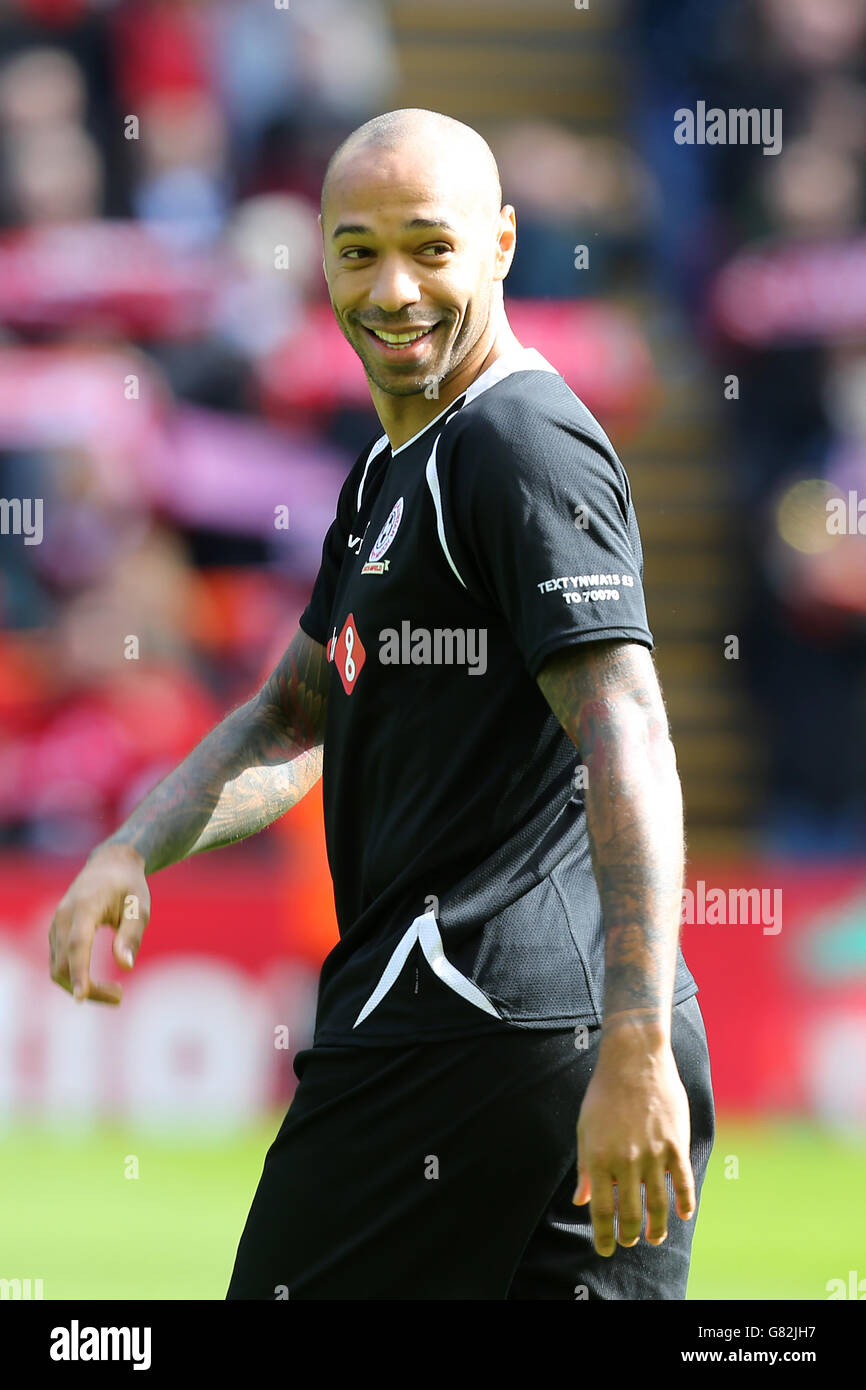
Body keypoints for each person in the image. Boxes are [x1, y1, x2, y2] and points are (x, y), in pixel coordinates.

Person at [48, 108, 715, 1300]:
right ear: (321, 259)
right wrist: (134, 845)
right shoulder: (385, 471)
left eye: (430, 246)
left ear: (502, 245)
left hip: (464, 1019)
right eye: (358, 251)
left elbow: (628, 733)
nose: (393, 287)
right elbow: (293, 714)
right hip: (537, 1034)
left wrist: (635, 1047)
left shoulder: (518, 443)